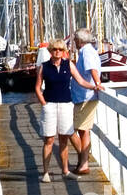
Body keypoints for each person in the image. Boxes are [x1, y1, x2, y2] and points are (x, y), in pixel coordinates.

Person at [34, 39, 98, 181]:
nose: (58, 52)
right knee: (49, 139)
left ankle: (65, 171)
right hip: (49, 105)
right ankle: (45, 172)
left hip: (66, 105)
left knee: (64, 139)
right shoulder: (43, 67)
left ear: (64, 52)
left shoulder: (68, 64)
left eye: (60, 50)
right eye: (55, 49)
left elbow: (80, 81)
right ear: (50, 51)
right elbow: (38, 87)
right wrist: (44, 103)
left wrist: (94, 86)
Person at [69, 29, 105, 175]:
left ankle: (83, 161)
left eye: (75, 40)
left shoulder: (86, 52)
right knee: (84, 130)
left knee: (70, 129)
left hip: (85, 96)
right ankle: (83, 160)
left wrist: (97, 82)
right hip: (82, 96)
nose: (74, 42)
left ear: (79, 40)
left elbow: (92, 69)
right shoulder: (89, 51)